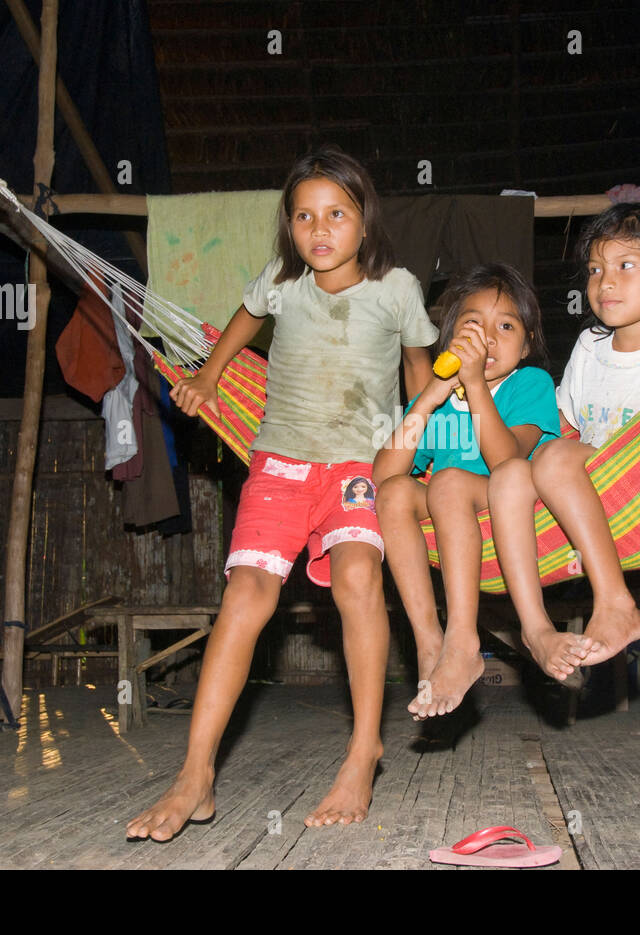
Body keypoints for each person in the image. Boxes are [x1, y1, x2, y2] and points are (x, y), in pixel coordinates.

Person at [126, 146, 437, 840]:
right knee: (245, 594)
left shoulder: (397, 289)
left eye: (336, 214)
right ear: (288, 226)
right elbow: (243, 320)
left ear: (364, 221)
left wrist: (417, 450)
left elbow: (419, 372)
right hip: (280, 465)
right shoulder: (281, 281)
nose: (319, 229)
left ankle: (363, 750)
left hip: (360, 467)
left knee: (357, 578)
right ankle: (195, 774)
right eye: (304, 216)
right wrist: (209, 375)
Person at [488, 202, 640, 682]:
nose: (605, 282)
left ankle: (616, 601)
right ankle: (535, 629)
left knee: (554, 459)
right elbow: (562, 421)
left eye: (626, 265)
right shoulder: (590, 345)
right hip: (583, 495)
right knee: (509, 477)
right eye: (596, 269)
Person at [373, 264, 559, 719]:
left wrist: (475, 384)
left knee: (449, 480)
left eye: (506, 326)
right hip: (449, 508)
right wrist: (429, 397)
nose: (488, 338)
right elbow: (383, 474)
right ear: (451, 338)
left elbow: (506, 461)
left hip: (513, 507)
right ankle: (429, 642)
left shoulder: (530, 384)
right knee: (394, 494)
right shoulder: (439, 399)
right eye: (473, 324)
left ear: (527, 344)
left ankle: (463, 640)